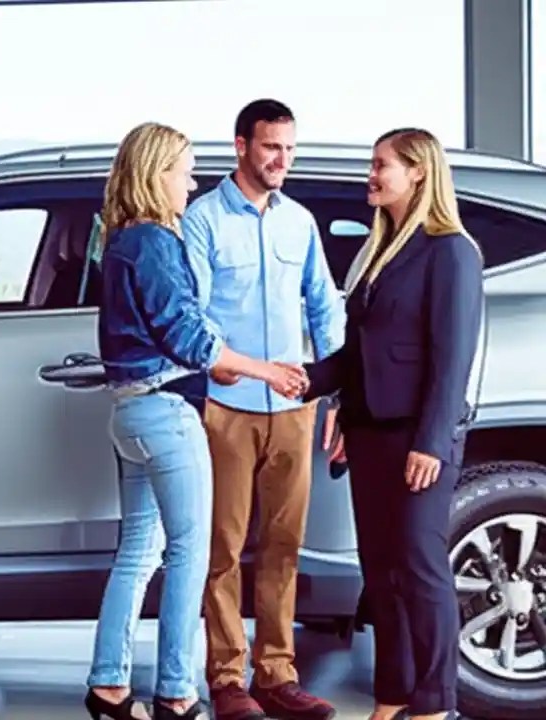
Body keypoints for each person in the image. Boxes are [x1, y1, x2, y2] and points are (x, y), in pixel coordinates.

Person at [85, 121, 308, 720]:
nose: (192, 182)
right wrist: (262, 369)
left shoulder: (122, 238)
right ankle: (178, 694)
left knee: (135, 554)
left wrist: (224, 364)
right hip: (166, 415)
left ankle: (108, 688)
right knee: (191, 553)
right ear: (157, 173)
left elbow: (170, 335)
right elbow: (188, 335)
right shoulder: (155, 240)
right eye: (184, 171)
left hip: (130, 413)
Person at [303, 128, 483, 720]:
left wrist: (432, 442)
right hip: (370, 432)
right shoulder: (380, 252)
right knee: (380, 571)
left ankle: (434, 705)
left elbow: (451, 358)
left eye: (382, 165)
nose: (371, 175)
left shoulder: (449, 250)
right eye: (372, 165)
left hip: (417, 437)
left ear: (419, 172)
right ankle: (393, 697)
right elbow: (358, 354)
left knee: (420, 567)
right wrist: (305, 381)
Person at [180, 99, 342, 720]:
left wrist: (337, 393)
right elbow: (192, 318)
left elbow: (324, 307)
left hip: (294, 409)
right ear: (241, 146)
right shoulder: (202, 221)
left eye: (290, 148)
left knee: (284, 545)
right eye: (272, 146)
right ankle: (227, 680)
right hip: (225, 407)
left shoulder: (298, 222)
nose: (282, 159)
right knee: (222, 547)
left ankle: (276, 674)